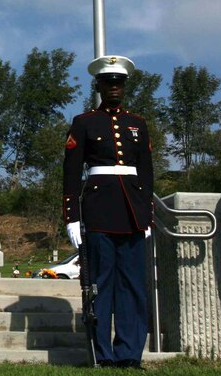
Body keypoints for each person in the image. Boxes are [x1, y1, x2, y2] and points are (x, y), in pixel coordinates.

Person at [63, 55, 153, 368]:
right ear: (98, 86)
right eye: (108, 82)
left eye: (119, 83)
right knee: (100, 284)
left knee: (132, 285)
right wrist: (72, 216)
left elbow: (146, 172)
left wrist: (147, 213)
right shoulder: (84, 122)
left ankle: (129, 353)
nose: (114, 87)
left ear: (124, 87)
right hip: (98, 210)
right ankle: (101, 353)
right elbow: (71, 173)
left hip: (132, 213)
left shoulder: (137, 124)